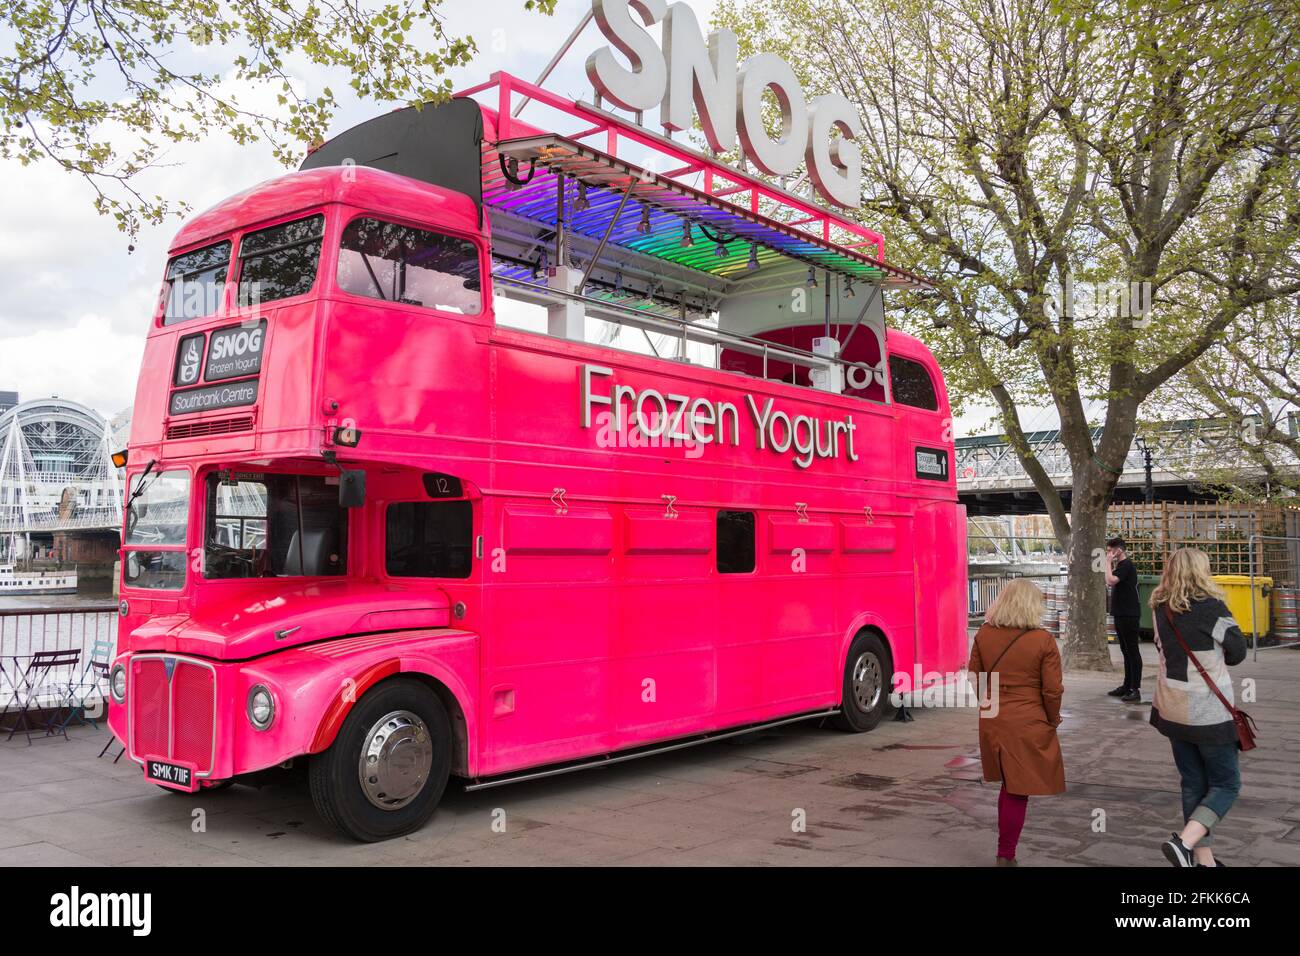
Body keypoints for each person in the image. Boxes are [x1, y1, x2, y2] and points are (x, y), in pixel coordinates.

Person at [1149, 547, 1248, 867]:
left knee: (1193, 781)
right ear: (1201, 571)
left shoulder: (1160, 607)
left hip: (1172, 707)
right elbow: (1237, 651)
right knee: (1226, 783)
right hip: (1208, 711)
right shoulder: (1212, 608)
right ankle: (1185, 842)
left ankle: (1204, 862)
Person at [968, 579, 1066, 866]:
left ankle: (1005, 852)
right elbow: (1052, 690)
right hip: (1028, 719)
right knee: (1017, 788)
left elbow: (975, 677)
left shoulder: (984, 634)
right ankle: (1006, 855)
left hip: (994, 717)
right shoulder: (1043, 640)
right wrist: (1052, 718)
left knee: (1009, 784)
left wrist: (989, 705)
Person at [1105, 536, 1143, 702]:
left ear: (1118, 550)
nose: (1108, 554)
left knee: (1132, 650)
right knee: (1125, 651)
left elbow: (1111, 580)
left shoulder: (1126, 565)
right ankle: (1127, 685)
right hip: (1121, 613)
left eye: (1110, 551)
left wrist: (1107, 563)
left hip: (1129, 614)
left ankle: (1135, 688)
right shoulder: (1121, 565)